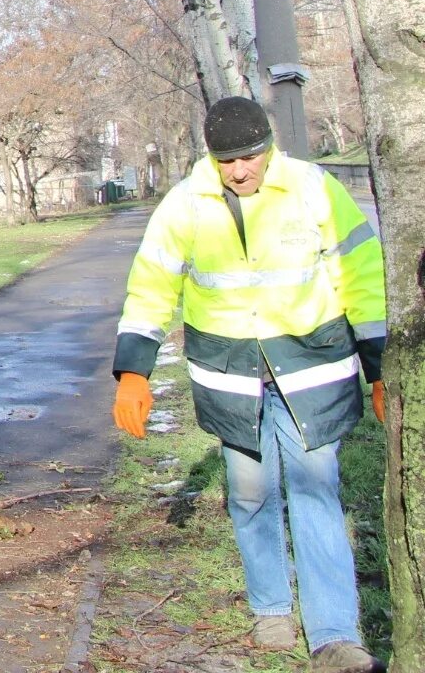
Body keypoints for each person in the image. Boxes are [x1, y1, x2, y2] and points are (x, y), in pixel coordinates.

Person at [112, 96, 386, 673]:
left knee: (317, 489)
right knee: (250, 493)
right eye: (227, 161)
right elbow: (152, 283)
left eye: (251, 157)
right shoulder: (186, 205)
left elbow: (361, 273)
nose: (240, 171)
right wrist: (133, 369)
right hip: (231, 375)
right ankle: (271, 609)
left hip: (311, 369)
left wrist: (379, 364)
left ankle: (335, 636)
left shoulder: (313, 190)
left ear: (270, 147)